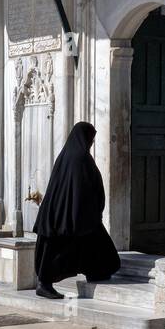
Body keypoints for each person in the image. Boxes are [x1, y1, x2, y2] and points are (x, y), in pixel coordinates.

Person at [32, 121, 121, 299]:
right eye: (91, 139)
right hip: (74, 217)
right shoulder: (81, 159)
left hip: (60, 215)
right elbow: (87, 188)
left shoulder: (65, 156)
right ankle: (45, 284)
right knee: (70, 250)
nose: (92, 143)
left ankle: (93, 272)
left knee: (89, 247)